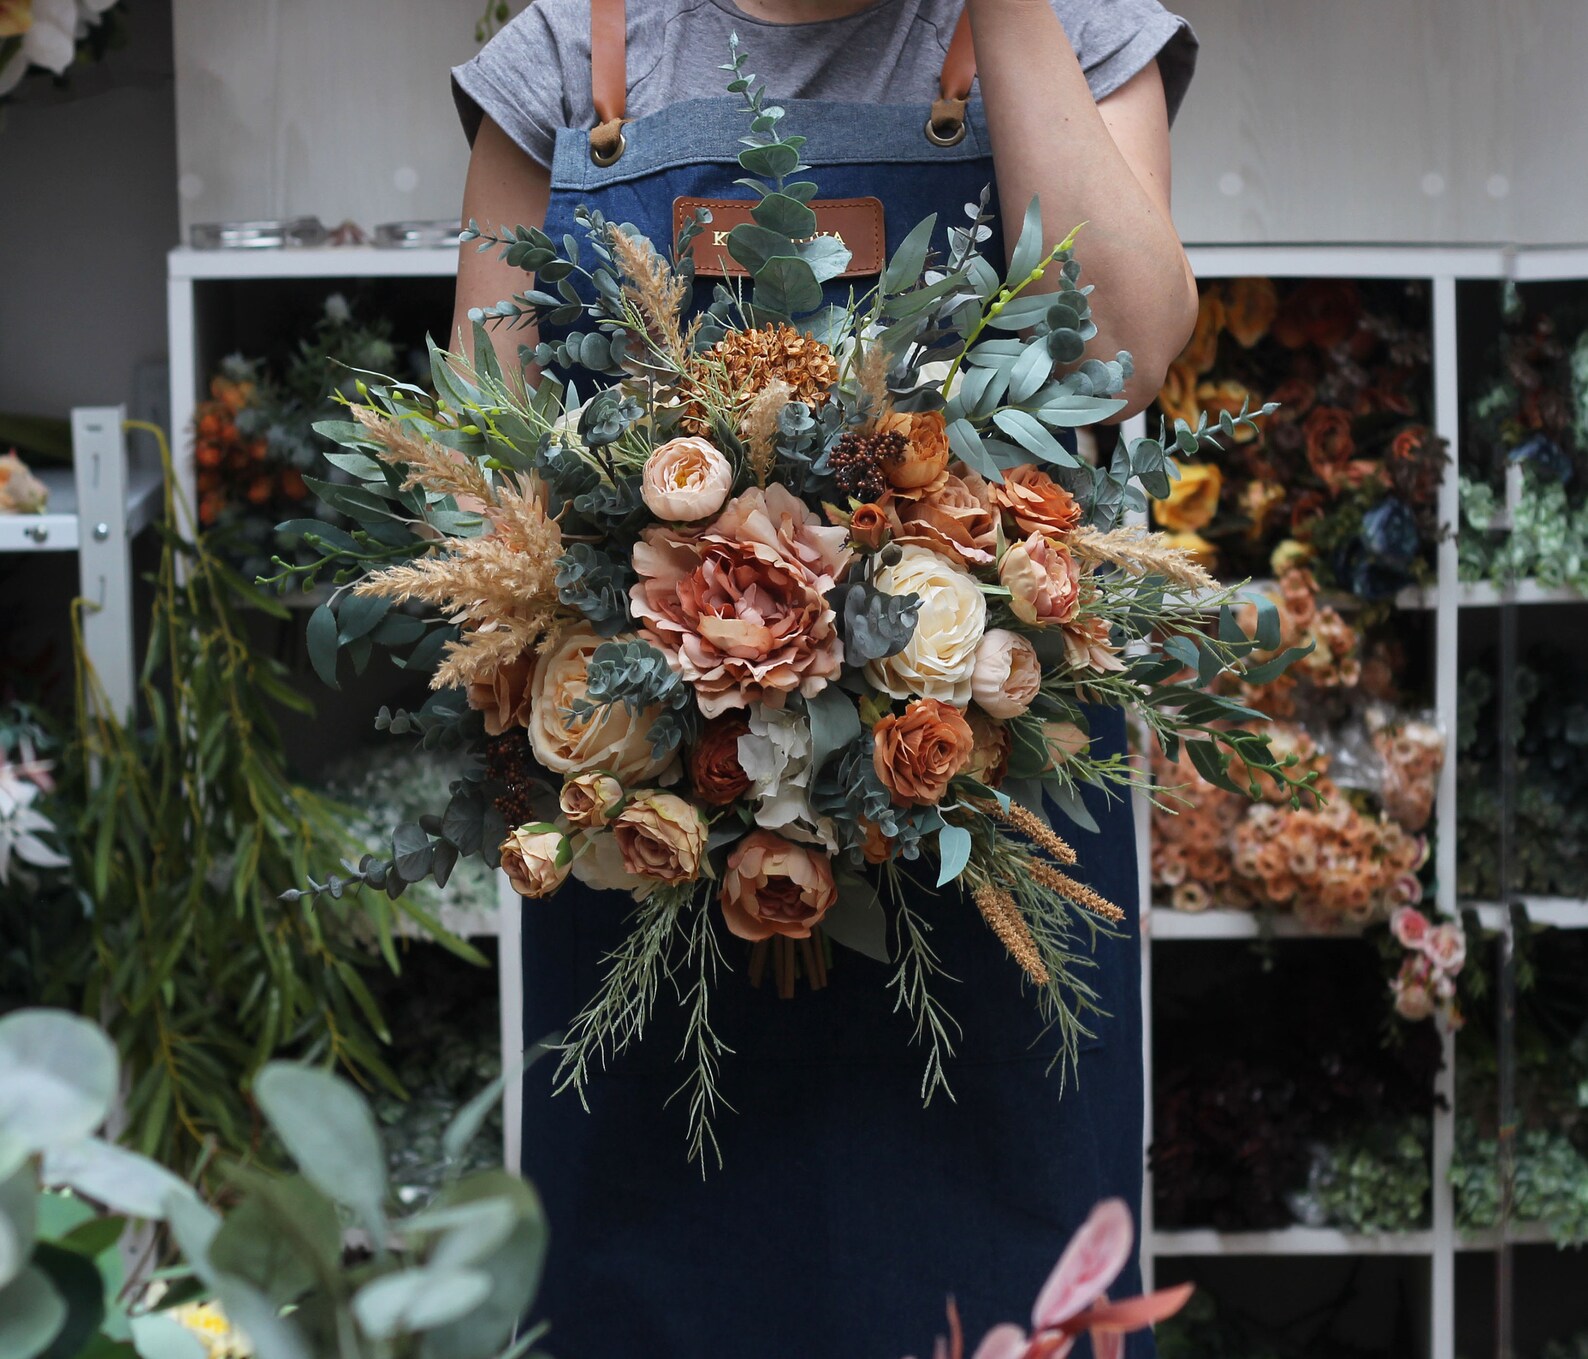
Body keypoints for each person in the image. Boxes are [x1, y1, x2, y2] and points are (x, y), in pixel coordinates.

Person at [450, 2, 1198, 1354]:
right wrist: (696, 703)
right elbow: (487, 497)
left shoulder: (1078, 34)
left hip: (987, 869)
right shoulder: (576, 56)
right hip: (661, 878)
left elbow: (1125, 353)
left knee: (996, 1294)